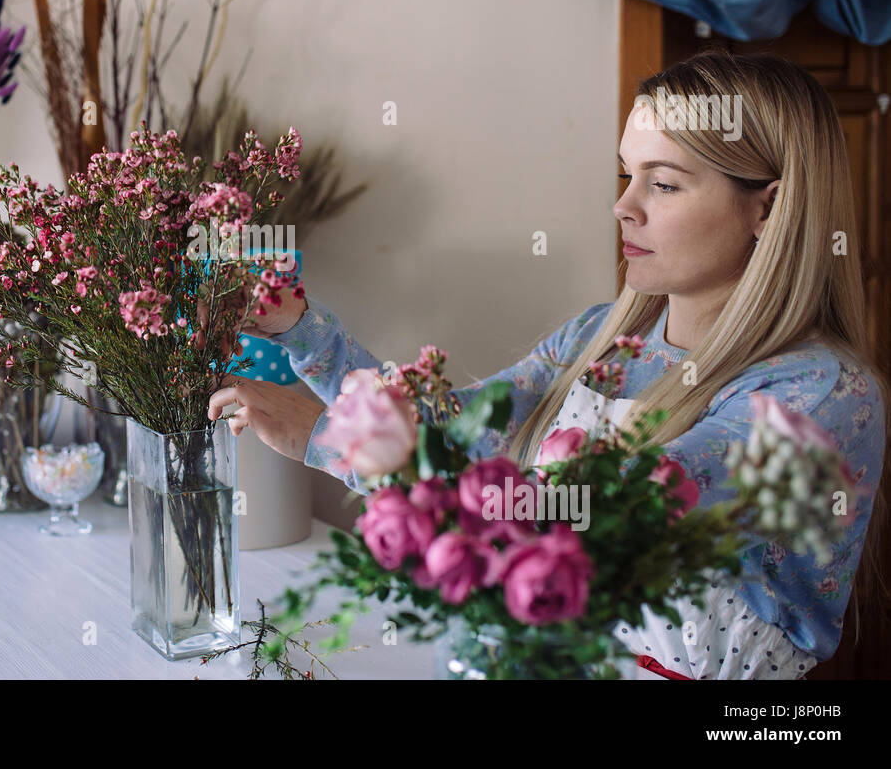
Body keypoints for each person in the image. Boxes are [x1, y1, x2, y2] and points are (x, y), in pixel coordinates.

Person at [206, 50, 888, 679]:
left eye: (666, 184)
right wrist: (300, 329)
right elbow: (456, 438)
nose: (624, 206)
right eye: (629, 174)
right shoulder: (596, 338)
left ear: (766, 207)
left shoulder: (820, 394)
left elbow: (600, 507)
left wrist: (329, 436)